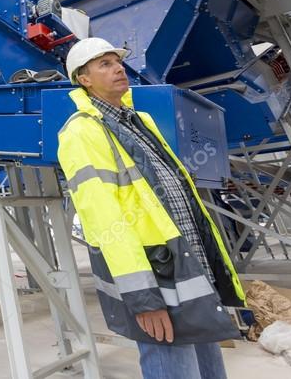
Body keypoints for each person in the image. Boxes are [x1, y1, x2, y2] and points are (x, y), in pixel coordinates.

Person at [57, 37, 246, 379]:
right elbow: (104, 221)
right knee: (173, 365)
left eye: (117, 62)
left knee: (209, 367)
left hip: (188, 261)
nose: (118, 69)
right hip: (155, 272)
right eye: (104, 64)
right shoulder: (81, 132)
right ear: (84, 79)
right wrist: (143, 297)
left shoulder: (140, 121)